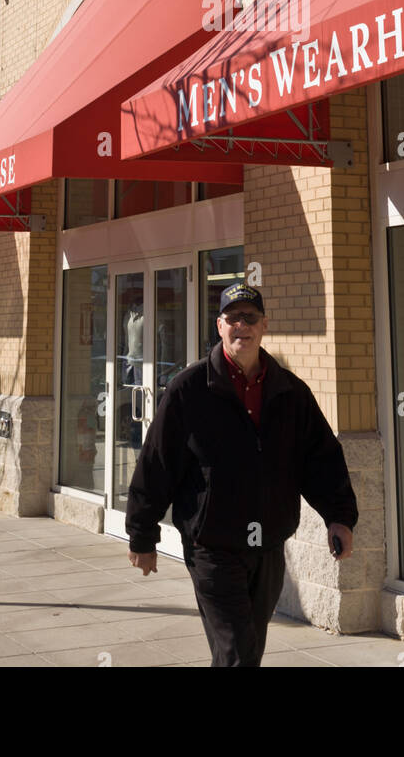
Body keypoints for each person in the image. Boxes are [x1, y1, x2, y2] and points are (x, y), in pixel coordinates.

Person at [126, 281, 358, 667]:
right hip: (211, 546)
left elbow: (320, 458)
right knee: (238, 651)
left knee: (244, 647)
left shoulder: (290, 391)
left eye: (249, 318)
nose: (241, 327)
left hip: (268, 546)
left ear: (264, 325)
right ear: (220, 326)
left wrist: (339, 517)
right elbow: (156, 464)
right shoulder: (188, 390)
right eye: (232, 319)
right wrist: (142, 534)